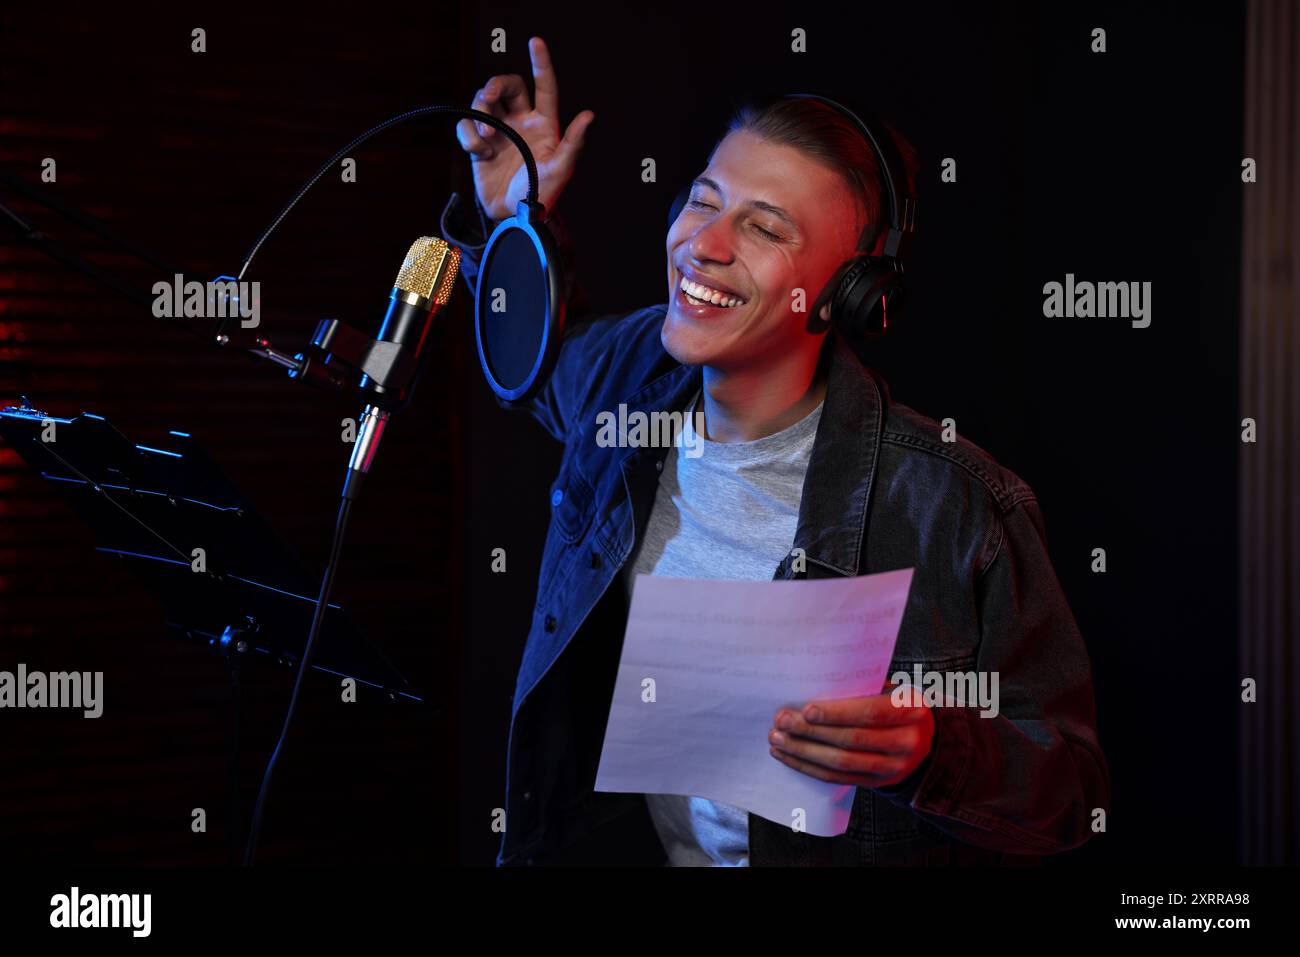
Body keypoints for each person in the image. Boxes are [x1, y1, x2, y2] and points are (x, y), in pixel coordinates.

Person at [442, 36, 1109, 866]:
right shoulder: (627, 380)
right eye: (702, 199)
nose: (704, 245)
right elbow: (539, 369)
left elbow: (1073, 795)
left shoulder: (955, 503)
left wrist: (932, 752)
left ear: (852, 292)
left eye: (763, 228)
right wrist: (512, 221)